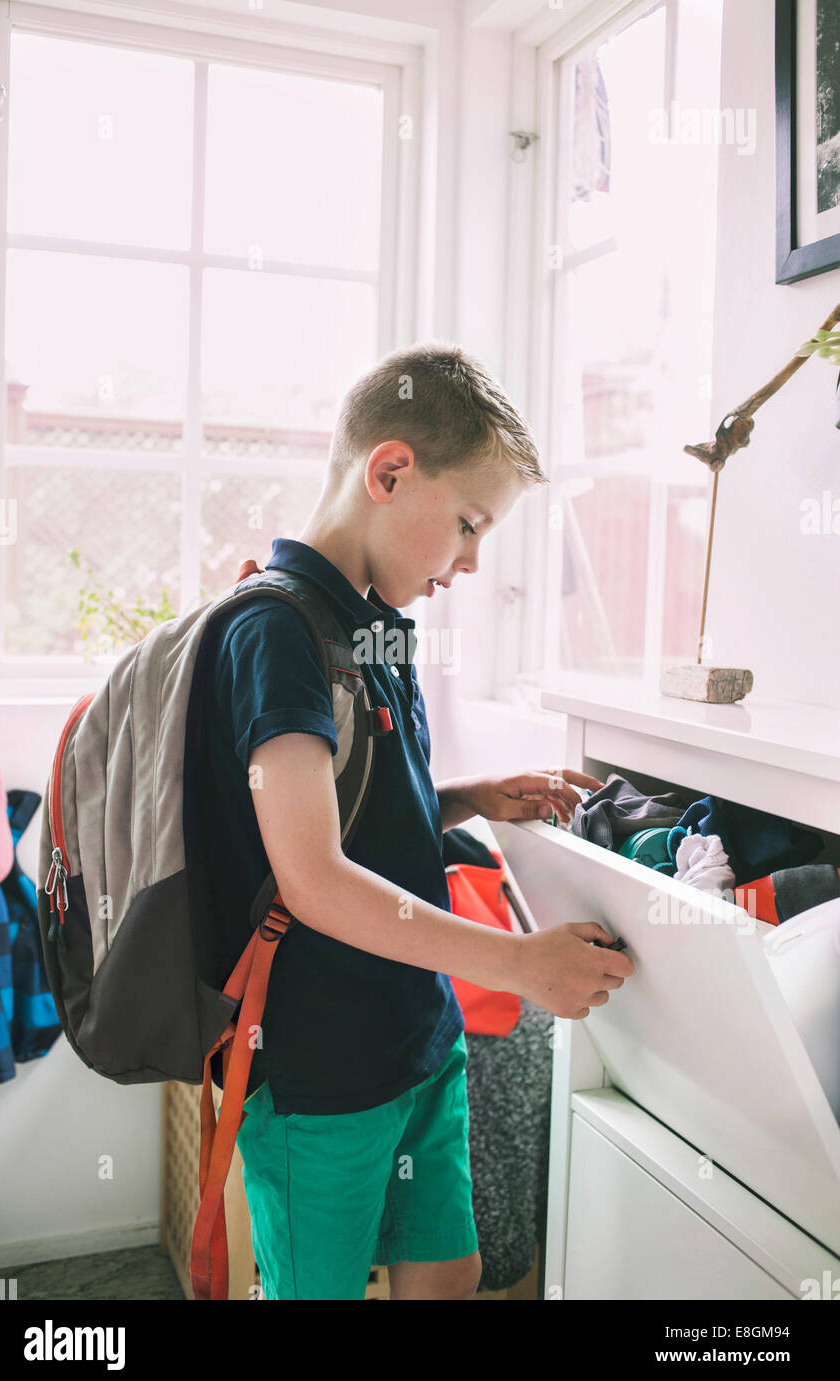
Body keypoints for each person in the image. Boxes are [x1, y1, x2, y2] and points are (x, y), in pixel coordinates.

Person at [198, 341, 634, 1301]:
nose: (474, 560)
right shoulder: (273, 629)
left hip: (418, 1041)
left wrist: (469, 798)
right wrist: (517, 964)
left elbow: (357, 822)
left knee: (451, 1273)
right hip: (316, 1073)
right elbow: (311, 877)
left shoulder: (377, 626)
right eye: (470, 523)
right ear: (389, 472)